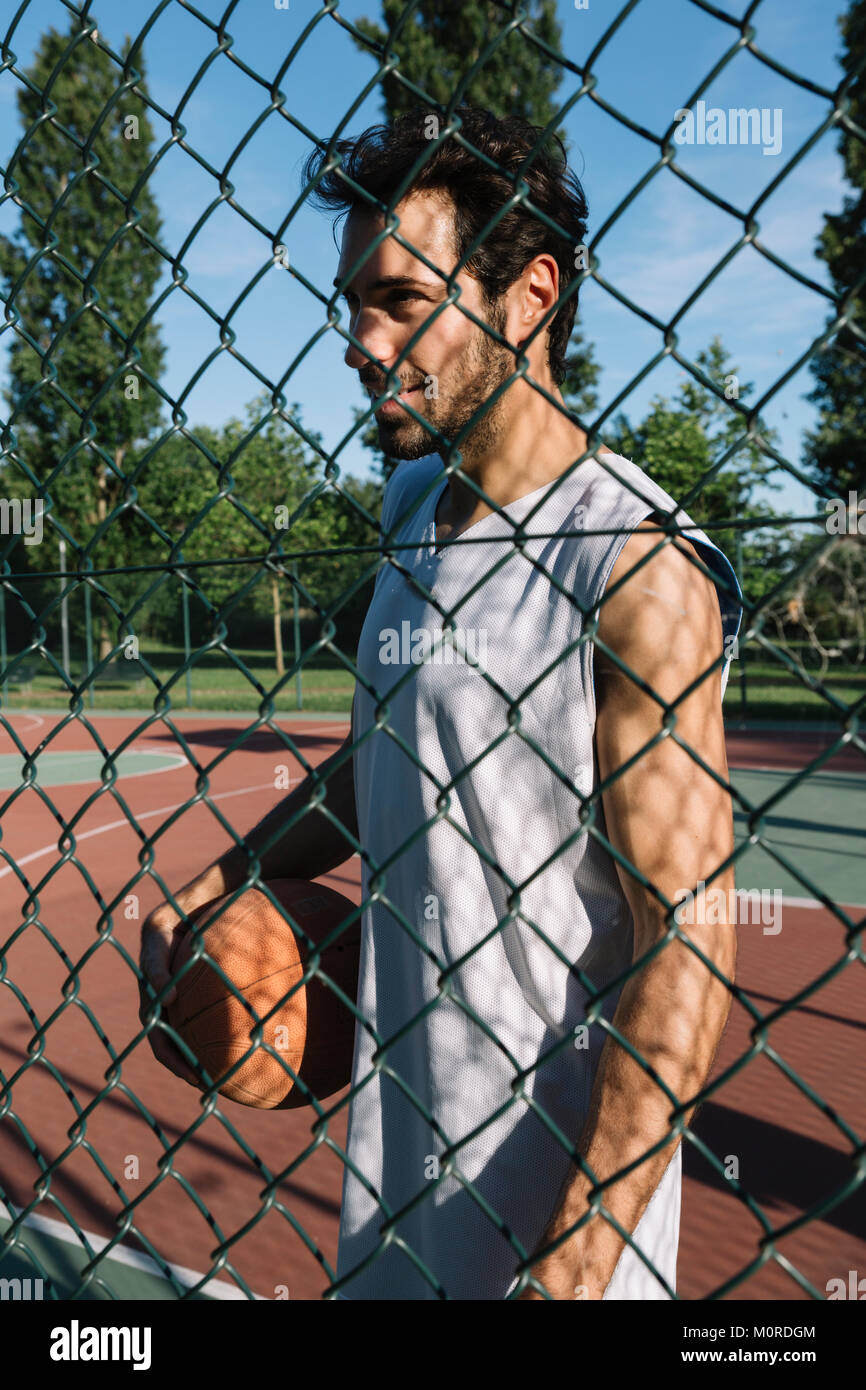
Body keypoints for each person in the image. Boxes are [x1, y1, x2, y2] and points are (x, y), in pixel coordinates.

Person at [140, 105, 742, 1300]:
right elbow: (386, 761)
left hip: (553, 1222)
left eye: (401, 300)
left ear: (527, 295)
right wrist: (219, 885)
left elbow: (690, 934)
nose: (360, 341)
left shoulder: (628, 562)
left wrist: (579, 1256)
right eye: (351, 304)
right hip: (393, 1198)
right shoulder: (410, 514)